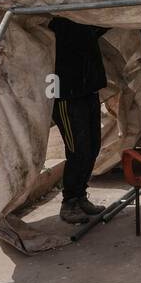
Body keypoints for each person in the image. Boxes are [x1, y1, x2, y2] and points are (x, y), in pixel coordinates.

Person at [48, 17, 111, 224]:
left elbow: (102, 24)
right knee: (78, 149)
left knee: (93, 147)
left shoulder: (85, 14)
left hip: (88, 89)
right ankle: (69, 202)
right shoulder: (55, 21)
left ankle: (81, 196)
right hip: (66, 95)